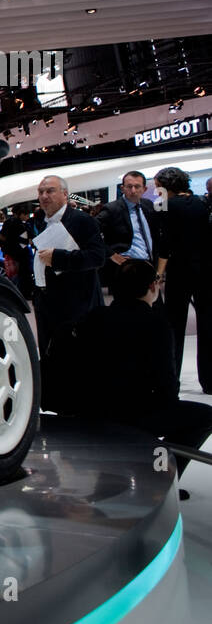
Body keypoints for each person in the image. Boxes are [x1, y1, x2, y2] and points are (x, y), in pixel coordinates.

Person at [70, 260, 212, 497]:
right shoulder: (156, 324)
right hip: (136, 413)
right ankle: (161, 477)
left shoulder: (95, 317)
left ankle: (121, 474)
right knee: (205, 416)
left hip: (91, 410)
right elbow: (167, 385)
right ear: (151, 287)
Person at [32, 175, 106, 357]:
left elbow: (97, 257)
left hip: (77, 306)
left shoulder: (82, 221)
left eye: (50, 191)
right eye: (41, 192)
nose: (44, 196)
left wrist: (58, 258)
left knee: (78, 360)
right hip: (48, 305)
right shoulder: (41, 222)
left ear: (65, 194)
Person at [153, 166, 212, 392]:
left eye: (158, 187)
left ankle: (171, 379)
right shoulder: (202, 203)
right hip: (206, 271)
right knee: (208, 325)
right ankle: (209, 381)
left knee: (174, 327)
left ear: (167, 186)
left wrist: (158, 273)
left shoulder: (166, 207)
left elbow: (164, 244)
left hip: (179, 271)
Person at [97, 171, 160, 289]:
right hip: (126, 268)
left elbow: (154, 235)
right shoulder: (112, 209)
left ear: (145, 189)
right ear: (122, 188)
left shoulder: (148, 205)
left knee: (155, 305)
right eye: (129, 186)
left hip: (149, 265)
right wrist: (111, 254)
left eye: (137, 186)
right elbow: (90, 232)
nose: (133, 191)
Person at [0, 205, 34, 296]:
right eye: (26, 215)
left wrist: (6, 249)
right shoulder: (22, 225)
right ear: (20, 214)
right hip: (22, 253)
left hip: (13, 253)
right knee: (24, 274)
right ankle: (26, 293)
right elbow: (28, 240)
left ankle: (19, 293)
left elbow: (1, 236)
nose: (27, 217)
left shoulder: (8, 223)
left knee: (16, 276)